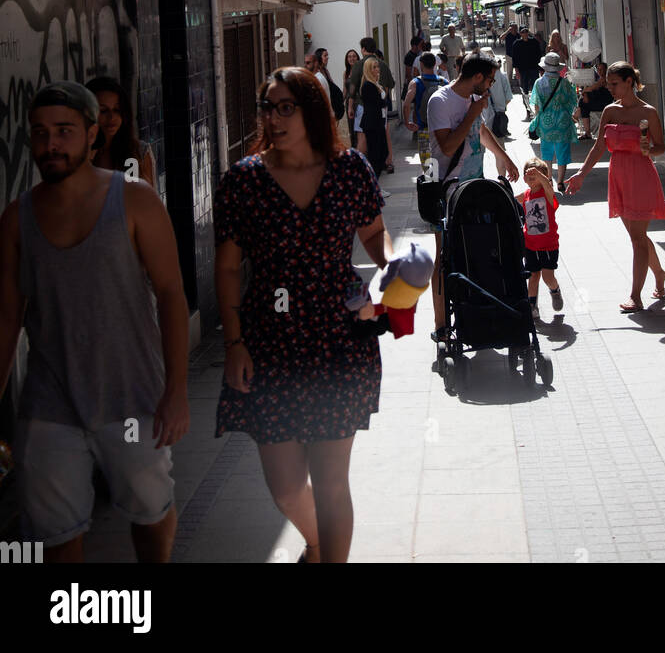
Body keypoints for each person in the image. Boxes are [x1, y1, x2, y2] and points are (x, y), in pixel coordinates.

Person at [0, 82, 189, 563]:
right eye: (40, 133)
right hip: (50, 406)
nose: (51, 145)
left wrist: (177, 391)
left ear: (90, 134)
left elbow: (170, 294)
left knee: (148, 511)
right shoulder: (17, 219)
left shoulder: (135, 201)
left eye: (64, 131)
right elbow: (5, 319)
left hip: (131, 401)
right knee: (56, 532)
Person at [214, 67, 391, 564]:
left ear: (312, 110)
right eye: (268, 107)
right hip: (269, 341)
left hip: (341, 336)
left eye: (286, 106)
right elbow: (227, 268)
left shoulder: (350, 168)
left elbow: (375, 235)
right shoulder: (244, 180)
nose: (274, 117)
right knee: (287, 486)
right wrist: (234, 343)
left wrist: (394, 271)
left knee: (332, 482)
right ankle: (315, 542)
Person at [426, 54, 519, 334]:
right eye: (489, 79)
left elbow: (479, 130)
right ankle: (441, 323)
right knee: (444, 255)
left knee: (477, 246)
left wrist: (503, 156)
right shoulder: (440, 101)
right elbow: (448, 146)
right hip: (444, 187)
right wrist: (472, 111)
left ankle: (477, 310)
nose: (491, 85)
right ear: (477, 77)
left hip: (473, 188)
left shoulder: (472, 102)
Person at [567, 61, 665, 312]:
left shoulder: (649, 112)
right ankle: (660, 274)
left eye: (614, 83)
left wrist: (649, 150)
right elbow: (599, 146)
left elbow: (661, 147)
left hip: (642, 175)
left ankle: (636, 295)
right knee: (638, 236)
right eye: (608, 83)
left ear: (629, 82)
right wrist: (580, 174)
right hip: (619, 175)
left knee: (637, 237)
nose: (609, 88)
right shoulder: (610, 111)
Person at [86, 75, 157, 188]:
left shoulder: (137, 151)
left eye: (117, 110)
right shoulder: (79, 154)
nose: (111, 117)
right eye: (103, 111)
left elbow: (144, 199)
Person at [518, 158, 564, 319]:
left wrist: (540, 175)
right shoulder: (526, 195)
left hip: (549, 244)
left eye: (536, 173)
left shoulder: (547, 195)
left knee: (547, 276)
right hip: (530, 245)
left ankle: (555, 290)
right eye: (528, 172)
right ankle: (532, 306)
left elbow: (548, 186)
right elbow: (512, 200)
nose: (531, 175)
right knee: (533, 276)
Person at [529, 52, 579, 187]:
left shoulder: (539, 83)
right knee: (562, 152)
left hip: (546, 123)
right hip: (562, 121)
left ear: (545, 67)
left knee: (547, 152)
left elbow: (536, 105)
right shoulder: (564, 83)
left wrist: (539, 118)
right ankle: (561, 182)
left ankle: (549, 179)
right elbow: (572, 101)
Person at [347, 38, 396, 172]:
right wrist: (383, 95)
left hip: (364, 107)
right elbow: (391, 84)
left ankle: (358, 167)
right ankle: (388, 162)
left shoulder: (360, 65)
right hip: (382, 108)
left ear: (363, 49)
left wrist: (350, 106)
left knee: (362, 138)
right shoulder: (382, 64)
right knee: (385, 135)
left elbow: (353, 87)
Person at [402, 52, 447, 165]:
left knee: (429, 169)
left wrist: (407, 122)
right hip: (443, 129)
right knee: (443, 164)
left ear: (421, 64)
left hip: (424, 129)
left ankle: (432, 181)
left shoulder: (416, 83)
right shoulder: (443, 82)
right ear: (435, 64)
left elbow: (406, 104)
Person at [359, 58, 389, 178]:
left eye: (377, 66)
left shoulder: (375, 84)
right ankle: (373, 183)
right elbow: (377, 103)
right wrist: (383, 101)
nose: (377, 69)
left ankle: (375, 183)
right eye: (374, 67)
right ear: (368, 70)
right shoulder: (368, 85)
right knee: (376, 154)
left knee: (382, 152)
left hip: (378, 123)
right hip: (372, 124)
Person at [479, 45, 513, 138]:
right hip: (498, 115)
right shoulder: (502, 75)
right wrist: (501, 108)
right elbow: (509, 97)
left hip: (487, 121)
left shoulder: (479, 77)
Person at [576, 56, 614, 138]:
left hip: (605, 103)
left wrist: (585, 92)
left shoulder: (604, 79)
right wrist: (585, 94)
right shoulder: (598, 79)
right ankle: (587, 132)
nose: (599, 71)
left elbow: (592, 87)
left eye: (601, 69)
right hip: (599, 102)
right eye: (598, 69)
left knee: (583, 104)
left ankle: (585, 130)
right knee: (583, 105)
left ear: (606, 70)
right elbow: (587, 89)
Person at [512, 27, 544, 108]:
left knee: (535, 86)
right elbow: (515, 59)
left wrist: (540, 69)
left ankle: (536, 104)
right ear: (520, 33)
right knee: (524, 88)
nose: (525, 33)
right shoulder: (516, 44)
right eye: (523, 32)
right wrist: (516, 71)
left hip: (533, 68)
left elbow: (538, 55)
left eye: (526, 31)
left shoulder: (534, 42)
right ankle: (527, 106)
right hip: (523, 69)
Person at [343, 49, 360, 148]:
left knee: (359, 129)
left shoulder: (360, 71)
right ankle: (354, 148)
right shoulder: (346, 73)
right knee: (351, 128)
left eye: (354, 56)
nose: (351, 58)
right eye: (349, 56)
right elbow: (345, 90)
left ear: (357, 57)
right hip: (349, 104)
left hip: (358, 102)